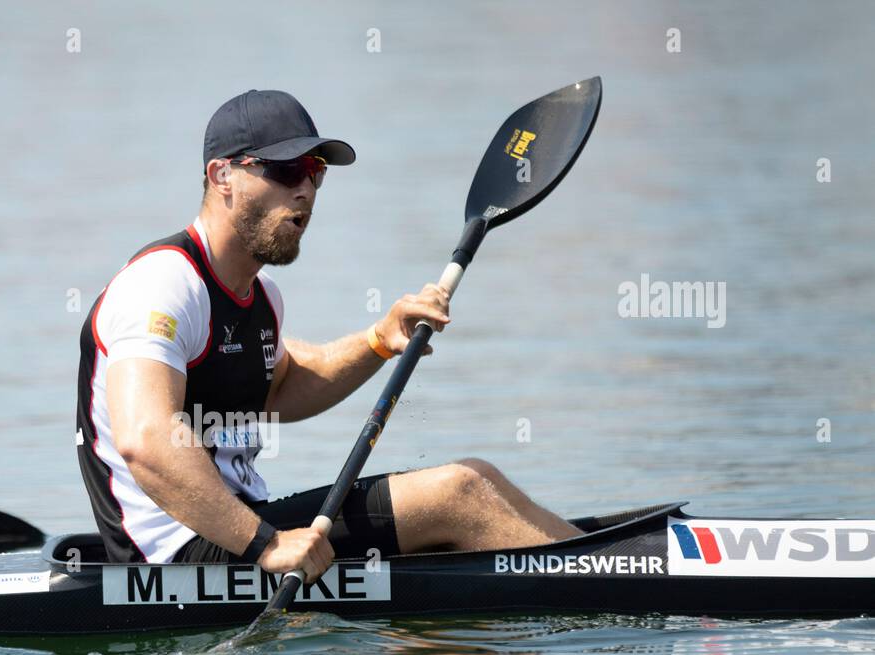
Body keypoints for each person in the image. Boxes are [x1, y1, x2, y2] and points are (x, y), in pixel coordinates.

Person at [76, 89, 579, 580]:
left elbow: (283, 388)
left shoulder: (262, 295)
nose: (306, 190)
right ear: (221, 175)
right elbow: (145, 439)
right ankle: (613, 579)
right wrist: (268, 544)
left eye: (316, 172)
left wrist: (379, 340)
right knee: (460, 492)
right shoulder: (163, 285)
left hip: (236, 528)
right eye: (286, 170)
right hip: (170, 556)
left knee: (475, 486)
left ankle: (598, 559)